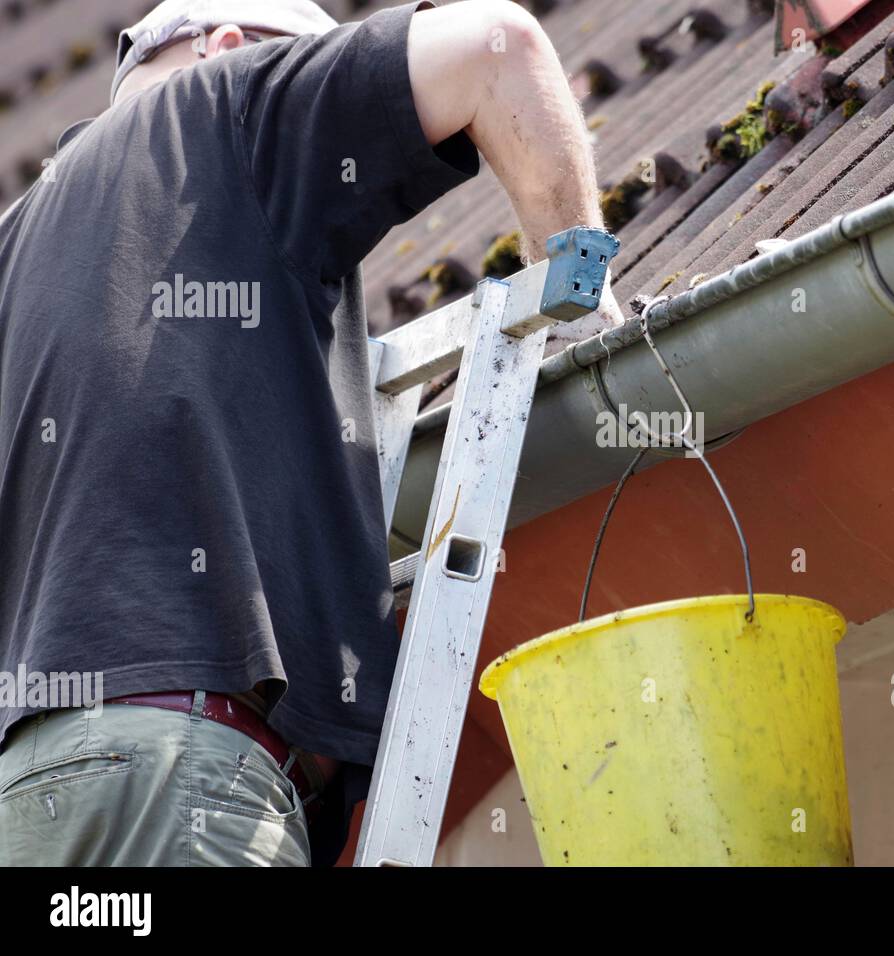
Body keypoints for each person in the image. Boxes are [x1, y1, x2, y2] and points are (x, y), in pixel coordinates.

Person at [0, 0, 621, 866]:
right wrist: (581, 292)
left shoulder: (14, 249)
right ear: (226, 47)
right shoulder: (229, 106)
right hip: (178, 776)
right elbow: (499, 47)